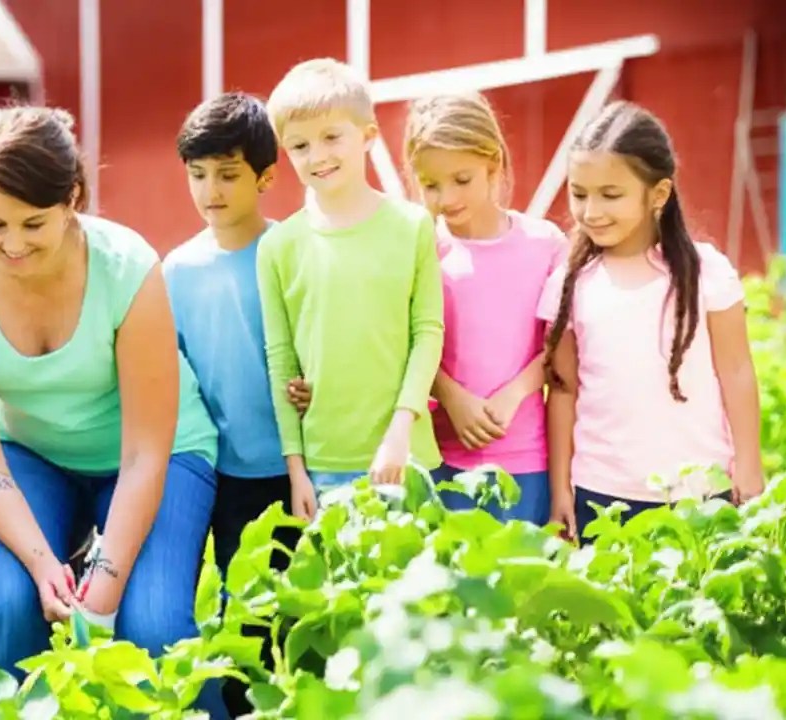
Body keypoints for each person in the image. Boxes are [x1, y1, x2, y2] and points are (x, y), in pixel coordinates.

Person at [0, 104, 227, 718]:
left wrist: (103, 585)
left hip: (154, 454)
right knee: (9, 606)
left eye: (33, 224)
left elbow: (144, 454)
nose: (12, 244)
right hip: (29, 454)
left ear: (73, 200)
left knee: (155, 628)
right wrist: (40, 562)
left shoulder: (127, 267)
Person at [291, 93, 565, 524]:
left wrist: (512, 396)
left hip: (526, 457)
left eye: (462, 179)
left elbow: (560, 350)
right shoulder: (420, 247)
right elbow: (404, 343)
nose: (446, 197)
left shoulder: (544, 244)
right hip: (440, 461)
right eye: (430, 185)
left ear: (493, 165)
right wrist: (451, 396)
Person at [541, 101, 764, 540]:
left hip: (701, 493)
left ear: (658, 194)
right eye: (579, 193)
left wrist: (749, 464)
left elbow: (737, 370)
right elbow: (562, 392)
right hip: (600, 495)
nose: (590, 211)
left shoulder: (707, 272)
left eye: (611, 194)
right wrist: (560, 488)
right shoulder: (570, 283)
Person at [165, 91, 311, 716]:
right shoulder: (175, 270)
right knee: (236, 618)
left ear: (266, 177)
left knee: (294, 618)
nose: (210, 191)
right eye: (198, 175)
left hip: (290, 469)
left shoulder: (294, 251)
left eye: (227, 175)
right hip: (217, 473)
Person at [256, 58, 444, 494]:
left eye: (331, 137)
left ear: (368, 136)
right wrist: (297, 469)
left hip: (404, 456)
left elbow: (428, 332)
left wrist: (401, 430)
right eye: (299, 146)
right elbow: (280, 360)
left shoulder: (412, 225)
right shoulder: (278, 247)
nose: (317, 156)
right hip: (324, 465)